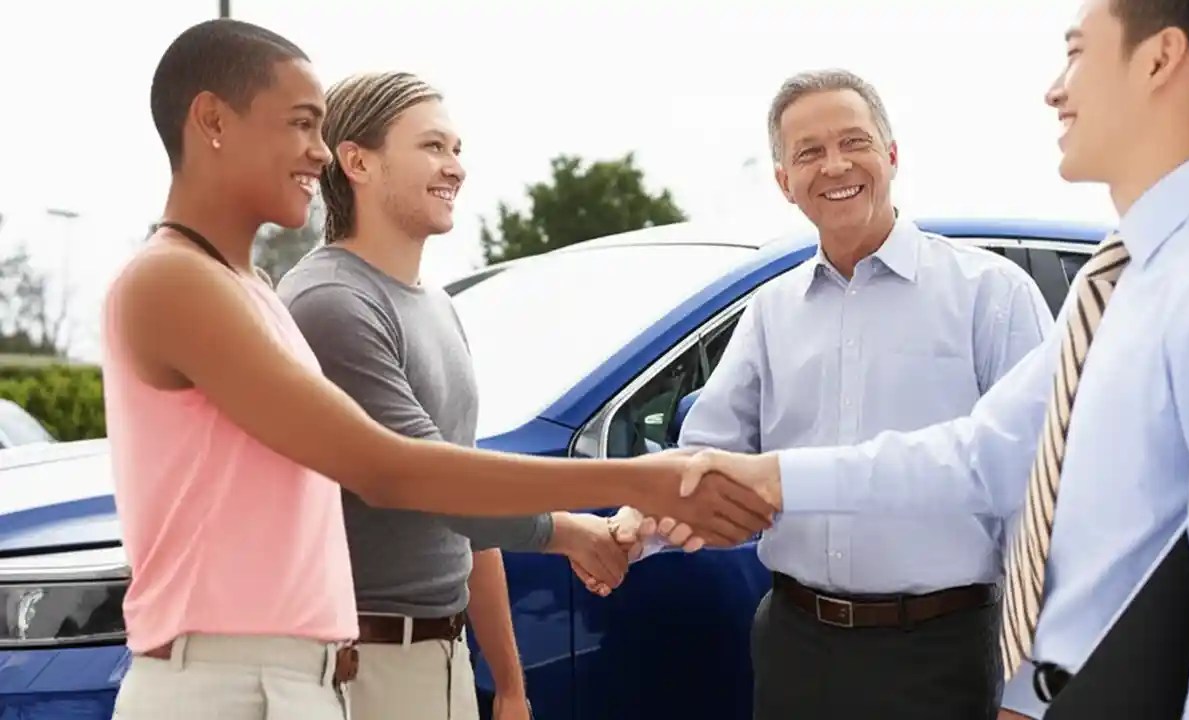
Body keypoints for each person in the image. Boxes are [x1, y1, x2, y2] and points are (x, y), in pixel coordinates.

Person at [103, 19, 772, 719]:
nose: (317, 152)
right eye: (302, 126)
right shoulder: (179, 284)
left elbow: (441, 479)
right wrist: (641, 479)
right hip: (230, 678)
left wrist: (510, 679)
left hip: (288, 671)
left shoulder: (252, 292)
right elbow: (393, 470)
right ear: (211, 119)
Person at [683, 1, 1189, 717]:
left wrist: (1023, 689)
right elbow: (978, 455)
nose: (1055, 89)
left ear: (1160, 60)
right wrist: (771, 476)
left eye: (1077, 52)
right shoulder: (1120, 281)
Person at [666, 69, 1052, 719]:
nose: (835, 165)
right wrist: (631, 526)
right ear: (785, 181)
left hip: (944, 652)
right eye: (809, 153)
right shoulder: (769, 311)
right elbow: (705, 455)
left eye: (855, 142)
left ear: (892, 155)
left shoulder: (990, 294)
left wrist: (1027, 691)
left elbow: (1041, 501)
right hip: (797, 647)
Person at [277, 71, 653, 720]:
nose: (455, 168)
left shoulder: (437, 309)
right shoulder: (333, 304)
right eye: (432, 147)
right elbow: (430, 486)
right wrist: (570, 529)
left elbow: (467, 486)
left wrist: (508, 683)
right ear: (358, 161)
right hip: (362, 666)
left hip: (441, 657)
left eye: (456, 149)